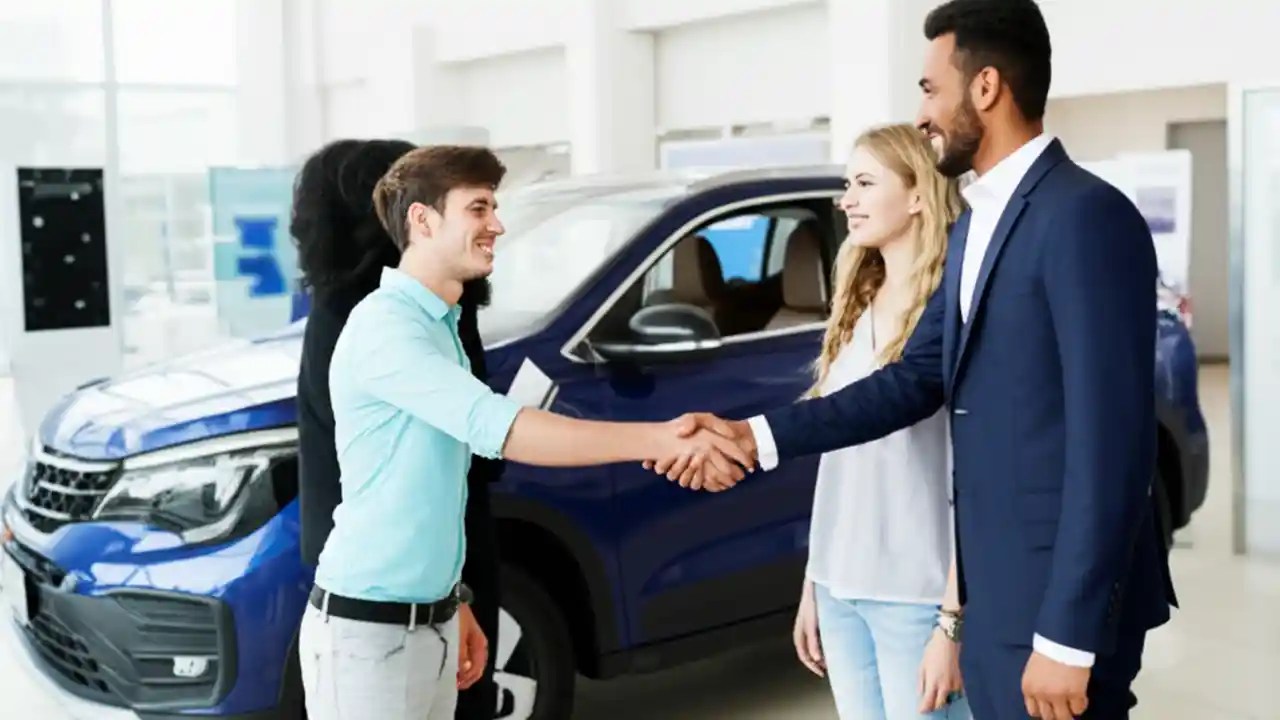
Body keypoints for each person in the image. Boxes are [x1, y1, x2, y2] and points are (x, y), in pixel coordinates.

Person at [651, 1, 1177, 718]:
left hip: (1055, 609)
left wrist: (1069, 636)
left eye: (931, 89)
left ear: (986, 88)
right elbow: (911, 380)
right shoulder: (975, 227)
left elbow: (1113, 442)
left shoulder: (1084, 215)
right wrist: (755, 437)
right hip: (994, 597)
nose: (923, 113)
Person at [298, 144, 751, 720]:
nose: (497, 225)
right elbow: (501, 429)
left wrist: (451, 600)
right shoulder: (386, 328)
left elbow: (431, 489)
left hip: (423, 623)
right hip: (369, 638)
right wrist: (661, 439)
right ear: (423, 219)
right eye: (479, 208)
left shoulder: (437, 324)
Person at [292, 137, 506, 719]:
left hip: (420, 583)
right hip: (390, 589)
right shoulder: (397, 320)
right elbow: (488, 436)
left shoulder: (357, 311)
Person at [790, 123, 970, 720]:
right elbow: (839, 459)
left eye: (865, 183)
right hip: (843, 586)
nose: (847, 200)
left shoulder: (952, 312)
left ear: (919, 194)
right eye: (848, 184)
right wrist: (815, 581)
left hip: (916, 594)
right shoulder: (857, 301)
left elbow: (974, 470)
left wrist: (952, 621)